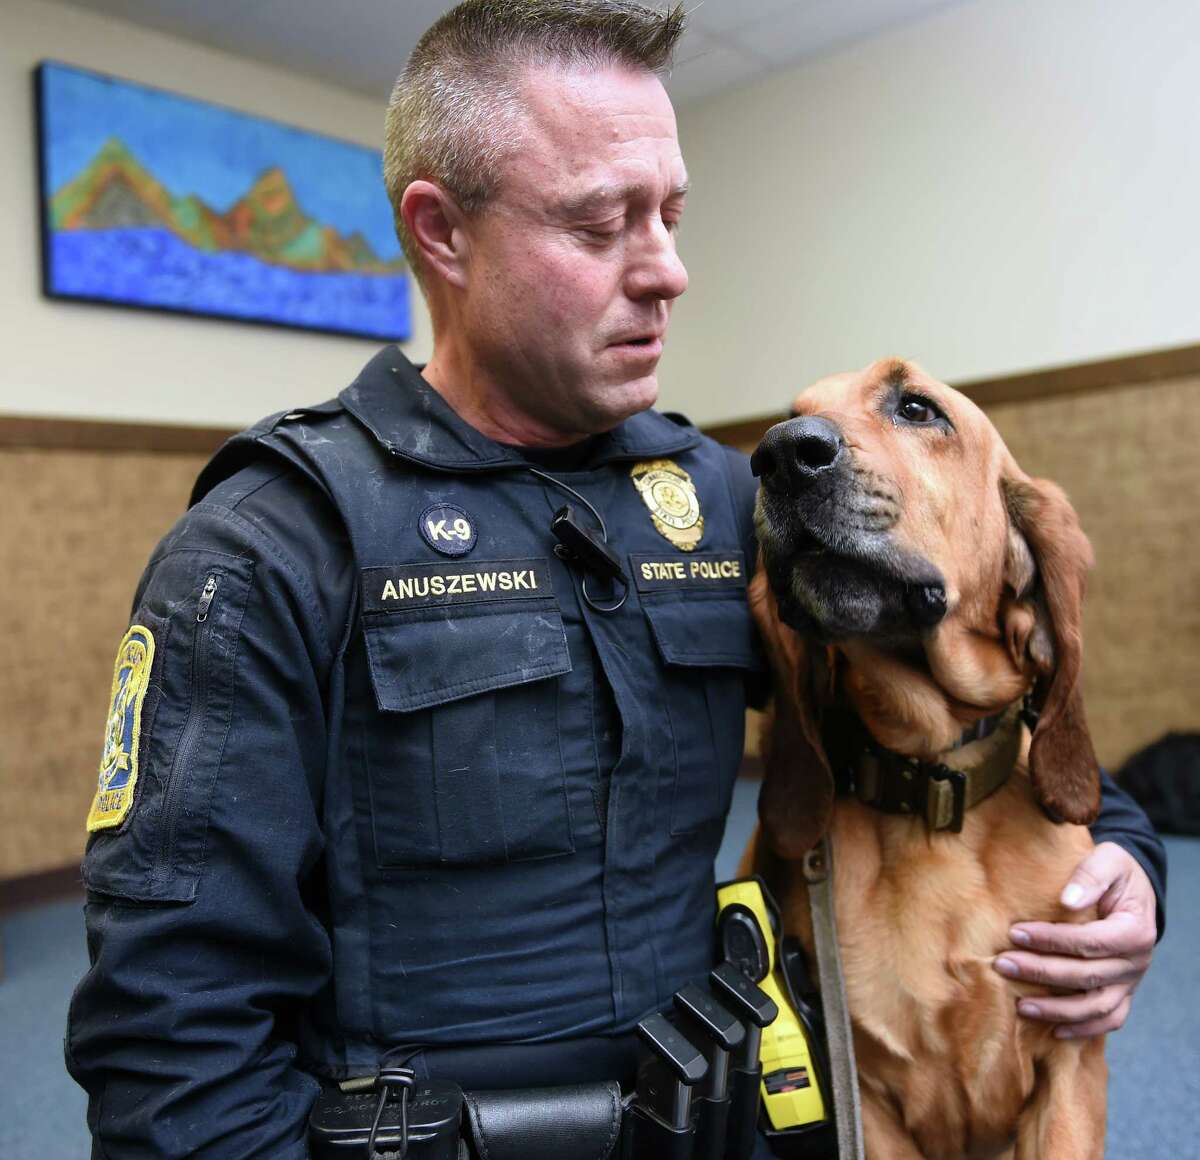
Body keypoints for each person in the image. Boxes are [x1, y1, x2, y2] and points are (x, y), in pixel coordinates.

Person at [66, 2, 1166, 1157]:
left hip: (717, 1120)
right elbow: (173, 1039)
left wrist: (1130, 869)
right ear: (443, 235)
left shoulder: (726, 505)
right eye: (601, 224)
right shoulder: (273, 543)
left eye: (670, 214)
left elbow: (986, 719)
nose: (669, 272)